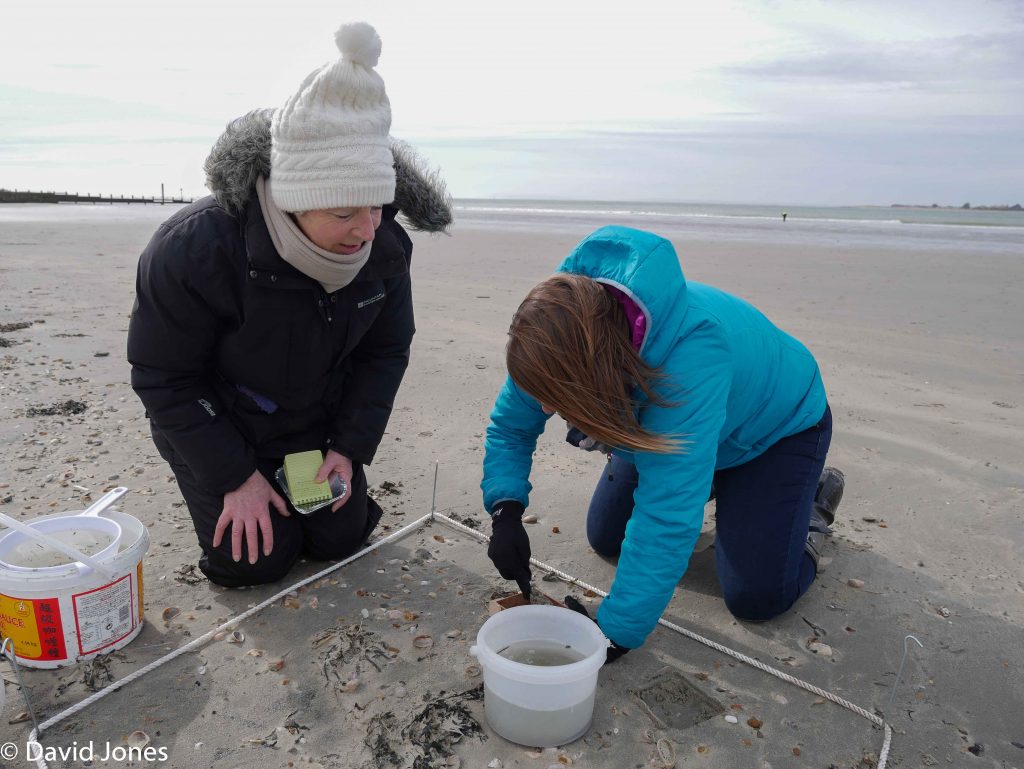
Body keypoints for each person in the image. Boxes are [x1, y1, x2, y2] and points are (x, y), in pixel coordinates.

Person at [127, 22, 451, 587]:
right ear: (296, 200)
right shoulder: (195, 248)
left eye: (376, 205)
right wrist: (234, 477)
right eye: (345, 213)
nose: (366, 229)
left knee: (340, 539)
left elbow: (385, 354)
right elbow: (165, 378)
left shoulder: (384, 249)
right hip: (221, 418)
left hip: (315, 423)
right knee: (256, 561)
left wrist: (348, 449)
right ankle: (243, 488)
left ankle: (303, 486)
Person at [482, 226, 844, 661]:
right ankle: (706, 481)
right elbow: (511, 427)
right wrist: (506, 510)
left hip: (776, 429)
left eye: (556, 402)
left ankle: (812, 506)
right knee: (606, 538)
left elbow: (666, 515)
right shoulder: (550, 337)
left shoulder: (688, 362)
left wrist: (616, 633)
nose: (541, 406)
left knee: (758, 596)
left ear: (593, 383)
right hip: (681, 431)